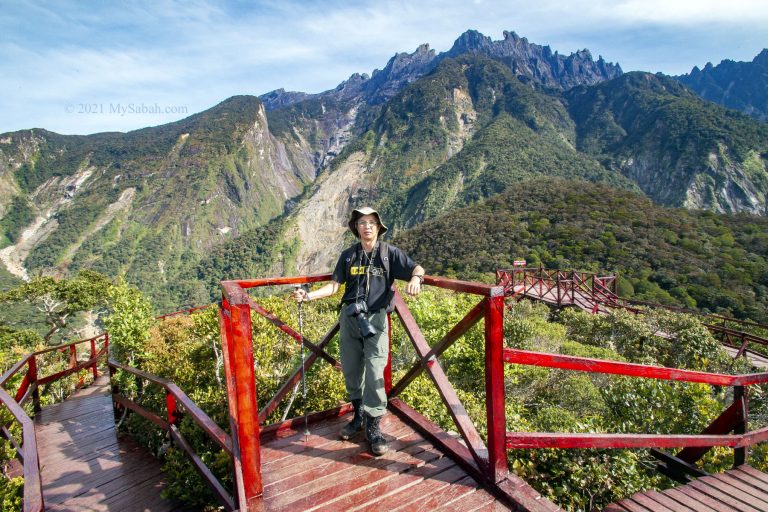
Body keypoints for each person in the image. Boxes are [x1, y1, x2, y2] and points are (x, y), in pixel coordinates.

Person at [292, 207, 425, 455]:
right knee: (352, 370)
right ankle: (358, 416)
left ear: (378, 227)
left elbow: (417, 268)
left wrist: (417, 279)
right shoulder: (348, 256)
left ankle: (374, 427)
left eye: (372, 223)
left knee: (375, 373)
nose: (367, 227)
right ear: (356, 228)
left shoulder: (389, 254)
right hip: (350, 318)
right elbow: (334, 287)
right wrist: (308, 296)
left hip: (376, 319)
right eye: (362, 223)